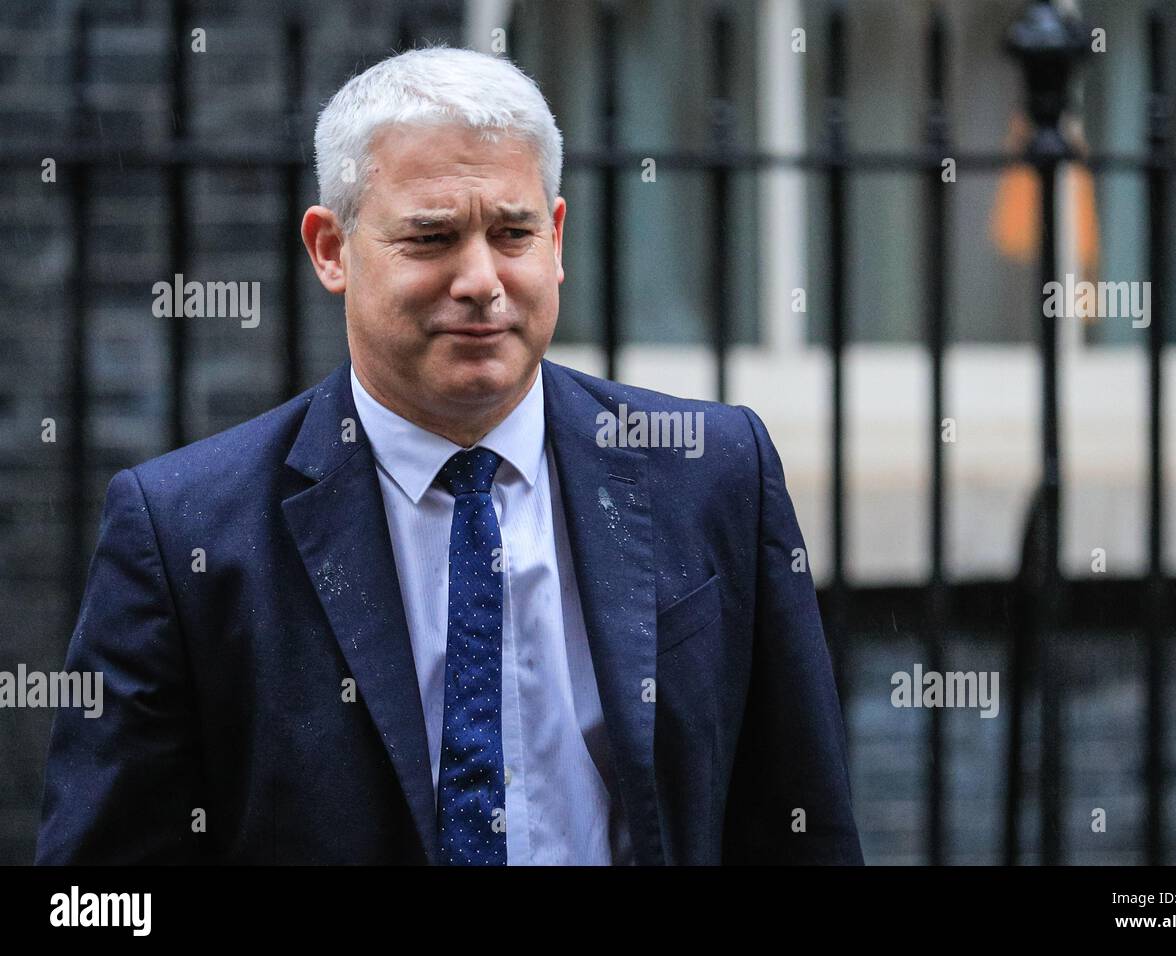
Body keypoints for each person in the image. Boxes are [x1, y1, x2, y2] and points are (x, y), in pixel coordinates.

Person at [36, 46, 862, 865]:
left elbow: (800, 820)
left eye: (512, 233)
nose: (481, 280)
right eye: (431, 238)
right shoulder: (186, 528)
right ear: (330, 249)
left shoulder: (712, 470)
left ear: (558, 235)